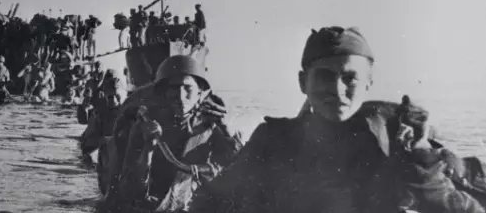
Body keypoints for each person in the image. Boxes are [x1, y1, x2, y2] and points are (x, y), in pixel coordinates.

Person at [189, 26, 486, 213]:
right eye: (325, 77)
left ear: (369, 83)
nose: (337, 90)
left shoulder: (396, 136)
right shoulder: (274, 139)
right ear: (302, 82)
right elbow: (212, 200)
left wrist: (421, 158)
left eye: (350, 78)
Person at [98, 55, 243, 213]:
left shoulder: (210, 125)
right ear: (164, 93)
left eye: (188, 88)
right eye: (174, 88)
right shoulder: (146, 126)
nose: (180, 97)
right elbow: (130, 191)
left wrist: (225, 127)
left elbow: (240, 171)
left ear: (200, 93)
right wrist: (149, 148)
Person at [79, 68, 128, 157]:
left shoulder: (127, 111)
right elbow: (87, 144)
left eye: (115, 96)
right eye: (110, 97)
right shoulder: (99, 111)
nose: (113, 99)